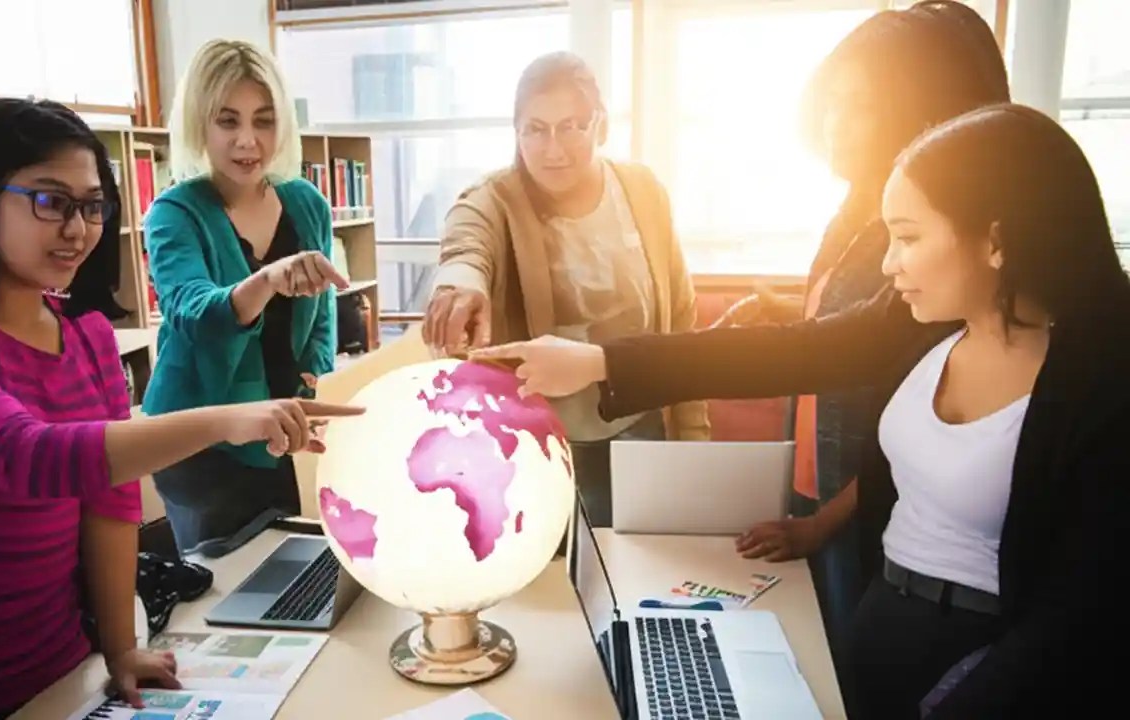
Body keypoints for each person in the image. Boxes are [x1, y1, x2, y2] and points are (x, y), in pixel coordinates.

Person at [471, 103, 1128, 719]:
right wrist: (597, 362)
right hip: (881, 627)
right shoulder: (930, 324)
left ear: (995, 240)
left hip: (979, 670)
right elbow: (787, 352)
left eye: (907, 237)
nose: (891, 264)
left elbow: (1075, 618)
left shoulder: (1099, 380)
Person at [0, 98, 362, 718]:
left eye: (92, 206)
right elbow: (26, 457)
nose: (77, 229)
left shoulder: (86, 336)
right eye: (50, 201)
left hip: (53, 668)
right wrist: (234, 416)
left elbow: (111, 498)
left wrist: (121, 650)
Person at [718, 0, 1012, 678]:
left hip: (863, 514)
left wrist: (822, 523)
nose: (833, 126)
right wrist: (783, 306)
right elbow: (851, 326)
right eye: (830, 106)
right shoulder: (856, 212)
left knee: (847, 674)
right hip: (815, 481)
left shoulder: (938, 248)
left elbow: (906, 415)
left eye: (856, 106)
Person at [422, 50, 709, 527]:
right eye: (535, 129)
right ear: (517, 132)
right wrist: (460, 284)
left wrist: (694, 441)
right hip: (542, 446)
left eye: (571, 125)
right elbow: (466, 242)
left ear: (600, 124)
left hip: (642, 431)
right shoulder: (497, 198)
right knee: (555, 587)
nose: (553, 148)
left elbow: (681, 318)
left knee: (648, 572)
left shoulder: (641, 191)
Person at [143, 39, 349, 558]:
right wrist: (267, 281)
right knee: (227, 584)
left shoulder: (306, 203)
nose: (247, 142)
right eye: (228, 121)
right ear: (200, 124)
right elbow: (194, 314)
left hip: (284, 433)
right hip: (199, 444)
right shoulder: (174, 213)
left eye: (263, 120)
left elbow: (320, 317)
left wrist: (315, 377)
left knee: (299, 572)